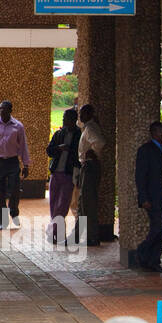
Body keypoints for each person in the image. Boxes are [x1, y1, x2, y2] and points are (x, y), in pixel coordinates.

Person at [0, 100, 31, 230]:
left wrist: (26, 165)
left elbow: (23, 146)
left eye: (4, 109)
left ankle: (14, 213)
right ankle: (2, 220)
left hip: (12, 162)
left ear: (10, 111)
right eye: (0, 109)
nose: (1, 111)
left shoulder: (18, 126)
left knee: (15, 189)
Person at [46, 109, 81, 245]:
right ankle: (57, 235)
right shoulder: (59, 134)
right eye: (63, 118)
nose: (63, 120)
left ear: (73, 119)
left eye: (66, 118)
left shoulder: (79, 135)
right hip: (55, 174)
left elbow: (79, 155)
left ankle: (53, 232)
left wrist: (70, 150)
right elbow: (49, 151)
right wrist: (59, 148)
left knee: (62, 206)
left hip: (69, 174)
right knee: (54, 205)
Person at [134, 122, 162, 272]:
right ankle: (142, 251)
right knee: (158, 227)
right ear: (154, 133)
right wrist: (144, 197)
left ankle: (153, 260)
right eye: (161, 132)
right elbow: (140, 176)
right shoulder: (145, 150)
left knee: (161, 229)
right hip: (152, 198)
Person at [75, 104, 105, 247]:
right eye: (80, 113)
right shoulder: (87, 127)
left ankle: (92, 237)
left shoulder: (91, 128)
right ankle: (80, 235)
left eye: (84, 113)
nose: (81, 116)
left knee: (88, 203)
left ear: (90, 114)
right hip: (86, 167)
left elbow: (100, 142)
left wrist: (92, 151)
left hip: (90, 167)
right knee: (83, 203)